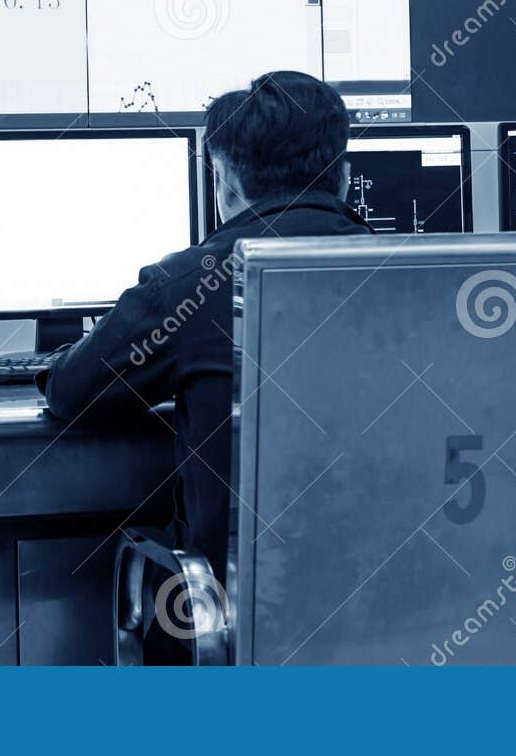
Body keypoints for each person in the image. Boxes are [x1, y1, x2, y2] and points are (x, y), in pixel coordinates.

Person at [41, 70, 371, 584]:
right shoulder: (416, 278)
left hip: (232, 611)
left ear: (227, 183)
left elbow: (71, 391)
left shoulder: (189, 285)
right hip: (403, 611)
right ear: (345, 178)